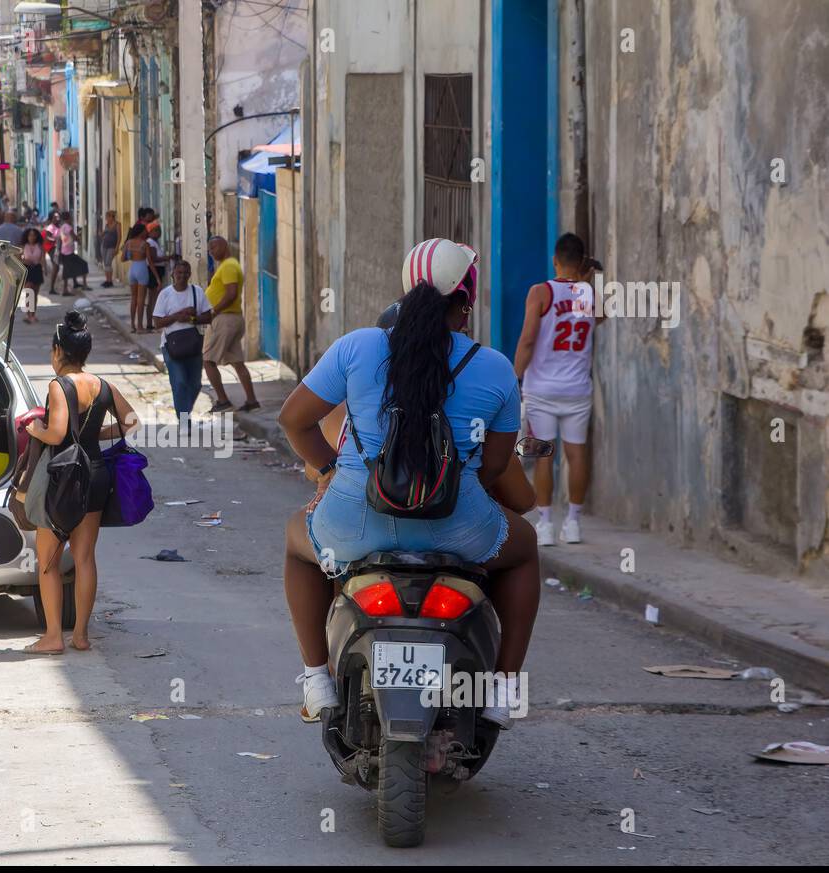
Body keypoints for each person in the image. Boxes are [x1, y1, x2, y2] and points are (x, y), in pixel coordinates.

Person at [277, 239, 538, 726]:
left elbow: (294, 420)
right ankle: (503, 688)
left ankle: (316, 677)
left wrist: (331, 471)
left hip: (354, 524)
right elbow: (496, 467)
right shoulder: (496, 367)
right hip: (455, 528)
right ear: (466, 302)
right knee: (524, 547)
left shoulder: (357, 347)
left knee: (296, 541)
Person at [23, 312, 138, 654]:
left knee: (48, 561)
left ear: (58, 350)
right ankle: (82, 636)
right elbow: (131, 422)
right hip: (97, 471)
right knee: (85, 557)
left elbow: (57, 433)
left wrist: (34, 430)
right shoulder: (103, 384)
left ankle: (53, 636)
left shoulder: (60, 385)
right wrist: (97, 434)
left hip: (64, 477)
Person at [513, 233, 603, 546]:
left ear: (555, 260)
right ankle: (574, 523)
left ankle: (547, 525)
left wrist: (515, 377)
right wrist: (590, 278)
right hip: (577, 389)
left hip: (542, 390)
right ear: (580, 263)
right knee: (576, 454)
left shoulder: (540, 292)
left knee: (542, 456)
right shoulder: (591, 296)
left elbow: (527, 340)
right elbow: (599, 317)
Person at [202, 236, 258, 412]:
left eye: (214, 247)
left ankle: (223, 400)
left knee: (208, 360)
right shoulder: (226, 266)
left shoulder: (228, 266)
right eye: (209, 249)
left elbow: (231, 293)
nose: (211, 251)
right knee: (237, 362)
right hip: (231, 319)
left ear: (224, 246)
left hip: (224, 319)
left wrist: (214, 311)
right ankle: (251, 401)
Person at [152, 259, 211, 421]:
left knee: (195, 384)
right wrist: (178, 315)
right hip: (171, 346)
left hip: (193, 344)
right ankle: (184, 420)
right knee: (179, 382)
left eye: (185, 273)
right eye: (179, 273)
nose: (182, 276)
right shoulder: (165, 294)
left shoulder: (197, 292)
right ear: (172, 274)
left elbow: (208, 316)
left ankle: (184, 411)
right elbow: (157, 322)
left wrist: (192, 319)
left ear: (190, 275)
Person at [123, 223, 159, 333]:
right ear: (141, 232)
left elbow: (122, 259)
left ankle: (132, 325)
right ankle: (140, 326)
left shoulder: (128, 243)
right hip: (142, 269)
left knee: (133, 298)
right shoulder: (145, 244)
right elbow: (150, 262)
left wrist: (131, 254)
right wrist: (157, 278)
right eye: (144, 230)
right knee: (141, 299)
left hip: (132, 269)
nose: (146, 232)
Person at [20, 227, 46, 324]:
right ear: (27, 236)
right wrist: (24, 261)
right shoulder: (23, 246)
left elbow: (43, 258)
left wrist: (45, 269)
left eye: (34, 235)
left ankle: (33, 314)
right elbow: (18, 259)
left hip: (37, 270)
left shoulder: (40, 246)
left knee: (35, 294)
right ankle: (28, 314)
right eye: (30, 235)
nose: (32, 237)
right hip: (27, 269)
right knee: (28, 293)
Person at [99, 210, 119, 288]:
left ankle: (110, 281)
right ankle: (107, 280)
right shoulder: (107, 225)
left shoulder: (117, 225)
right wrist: (101, 234)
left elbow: (119, 237)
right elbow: (103, 234)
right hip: (104, 246)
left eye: (107, 217)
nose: (106, 219)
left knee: (108, 263)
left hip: (112, 246)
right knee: (106, 263)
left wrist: (117, 247)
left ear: (111, 217)